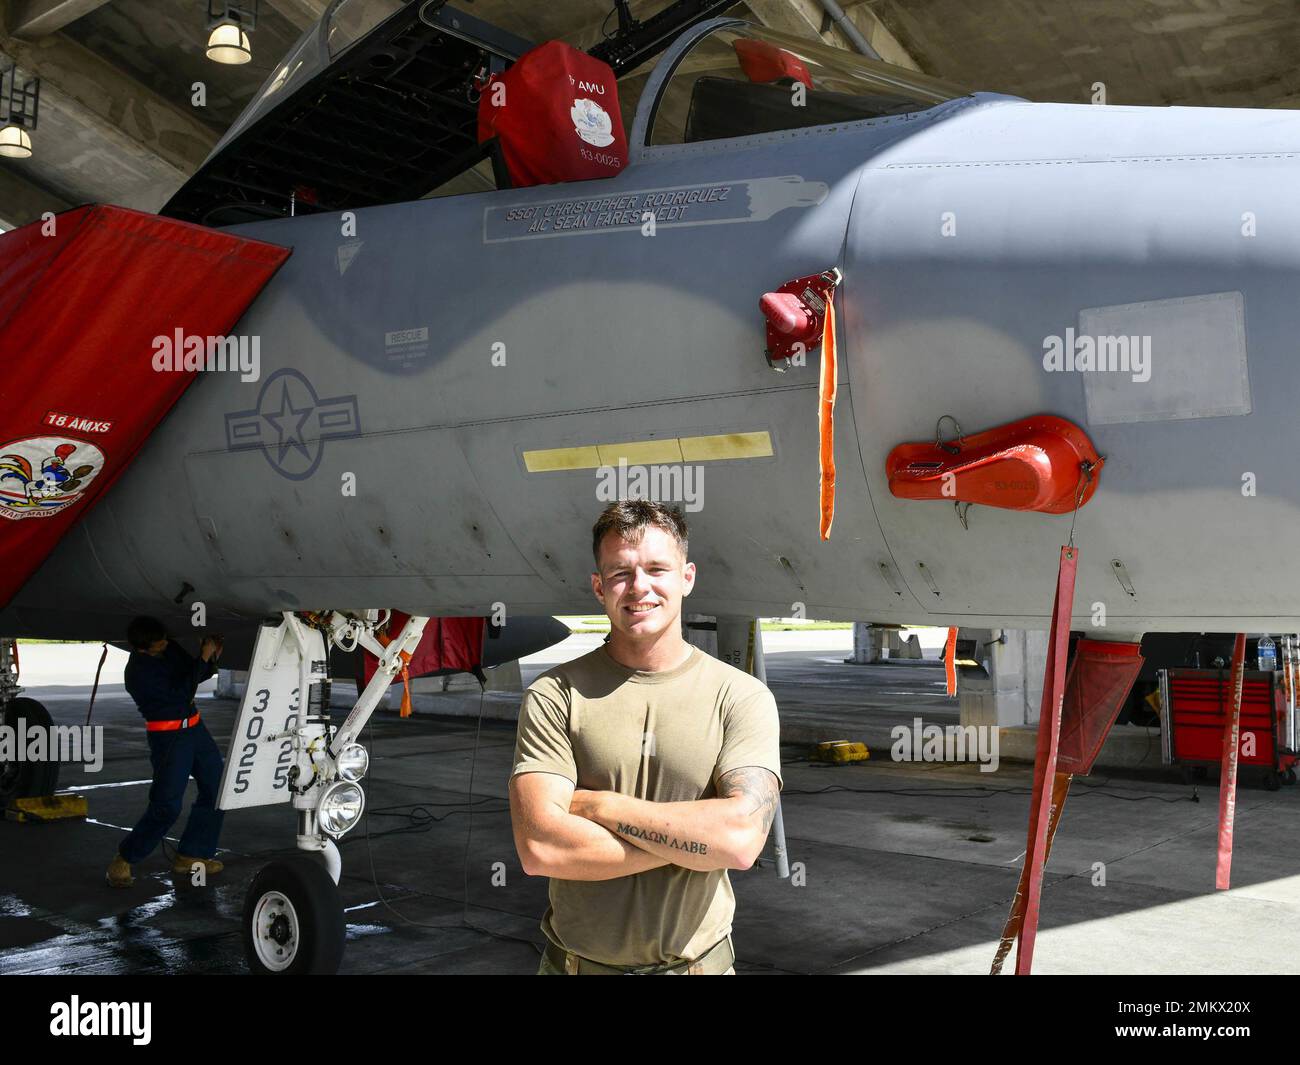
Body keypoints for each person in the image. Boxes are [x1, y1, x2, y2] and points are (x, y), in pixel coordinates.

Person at [509, 500, 782, 974]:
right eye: (620, 573)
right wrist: (693, 845)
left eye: (658, 569)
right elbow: (541, 849)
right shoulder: (555, 695)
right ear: (598, 587)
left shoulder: (740, 696)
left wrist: (599, 807)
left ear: (687, 577)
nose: (639, 587)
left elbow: (739, 841)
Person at [106, 616, 227, 888]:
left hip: (195, 728)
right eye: (159, 644)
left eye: (164, 640)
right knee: (167, 805)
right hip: (168, 737)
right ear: (141, 648)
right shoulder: (137, 674)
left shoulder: (167, 647)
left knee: (218, 788)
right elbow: (183, 692)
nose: (165, 645)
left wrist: (210, 657)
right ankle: (125, 857)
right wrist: (203, 658)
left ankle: (192, 854)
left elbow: (196, 674)